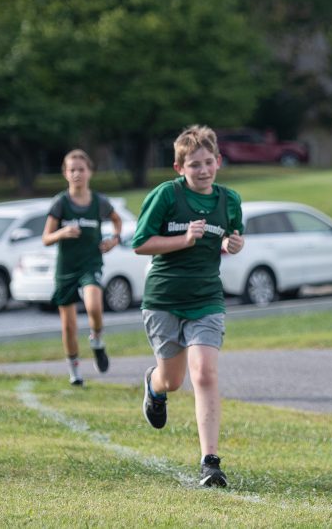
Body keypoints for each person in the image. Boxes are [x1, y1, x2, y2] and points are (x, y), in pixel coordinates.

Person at [132, 125, 244, 488]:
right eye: (194, 164)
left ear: (219, 162)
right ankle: (153, 384)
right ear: (180, 167)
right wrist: (184, 239)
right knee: (173, 380)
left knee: (205, 373)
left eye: (209, 162)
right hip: (163, 299)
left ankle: (210, 462)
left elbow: (229, 238)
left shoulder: (230, 200)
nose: (203, 170)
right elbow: (141, 243)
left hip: (206, 298)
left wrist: (232, 245)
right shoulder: (166, 195)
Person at [42, 149, 123, 387]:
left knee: (94, 306)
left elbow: (117, 221)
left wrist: (114, 240)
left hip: (90, 264)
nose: (77, 174)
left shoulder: (99, 202)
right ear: (65, 174)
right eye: (72, 170)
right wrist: (62, 232)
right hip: (66, 267)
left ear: (90, 172)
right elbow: (46, 238)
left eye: (81, 169)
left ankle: (97, 340)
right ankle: (74, 370)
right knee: (68, 324)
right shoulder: (60, 203)